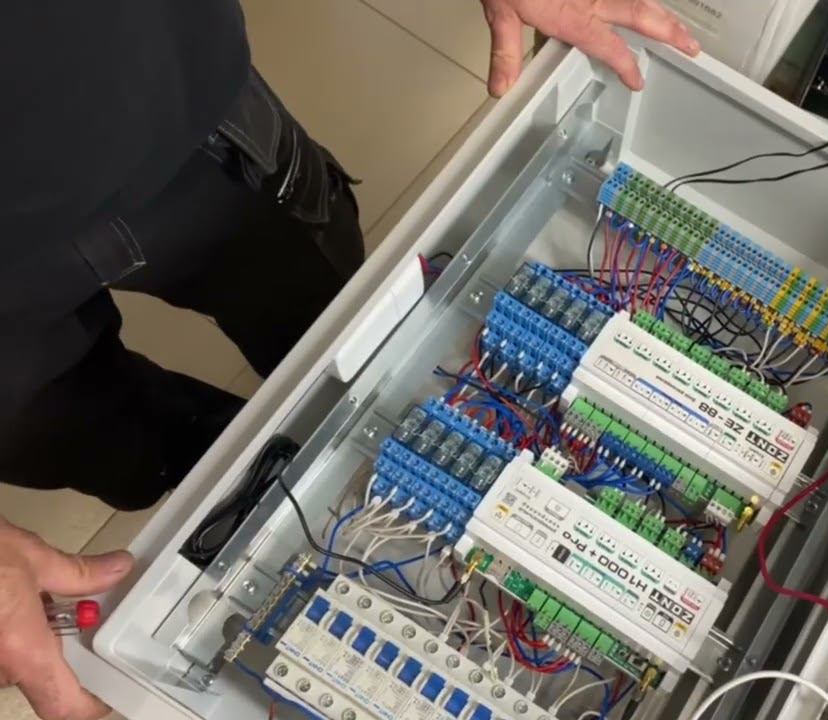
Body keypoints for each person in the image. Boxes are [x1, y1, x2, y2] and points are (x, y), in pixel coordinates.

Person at [0, 1, 697, 717]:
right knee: (98, 432)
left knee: (334, 310)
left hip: (171, 100)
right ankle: (230, 485)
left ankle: (312, 456)